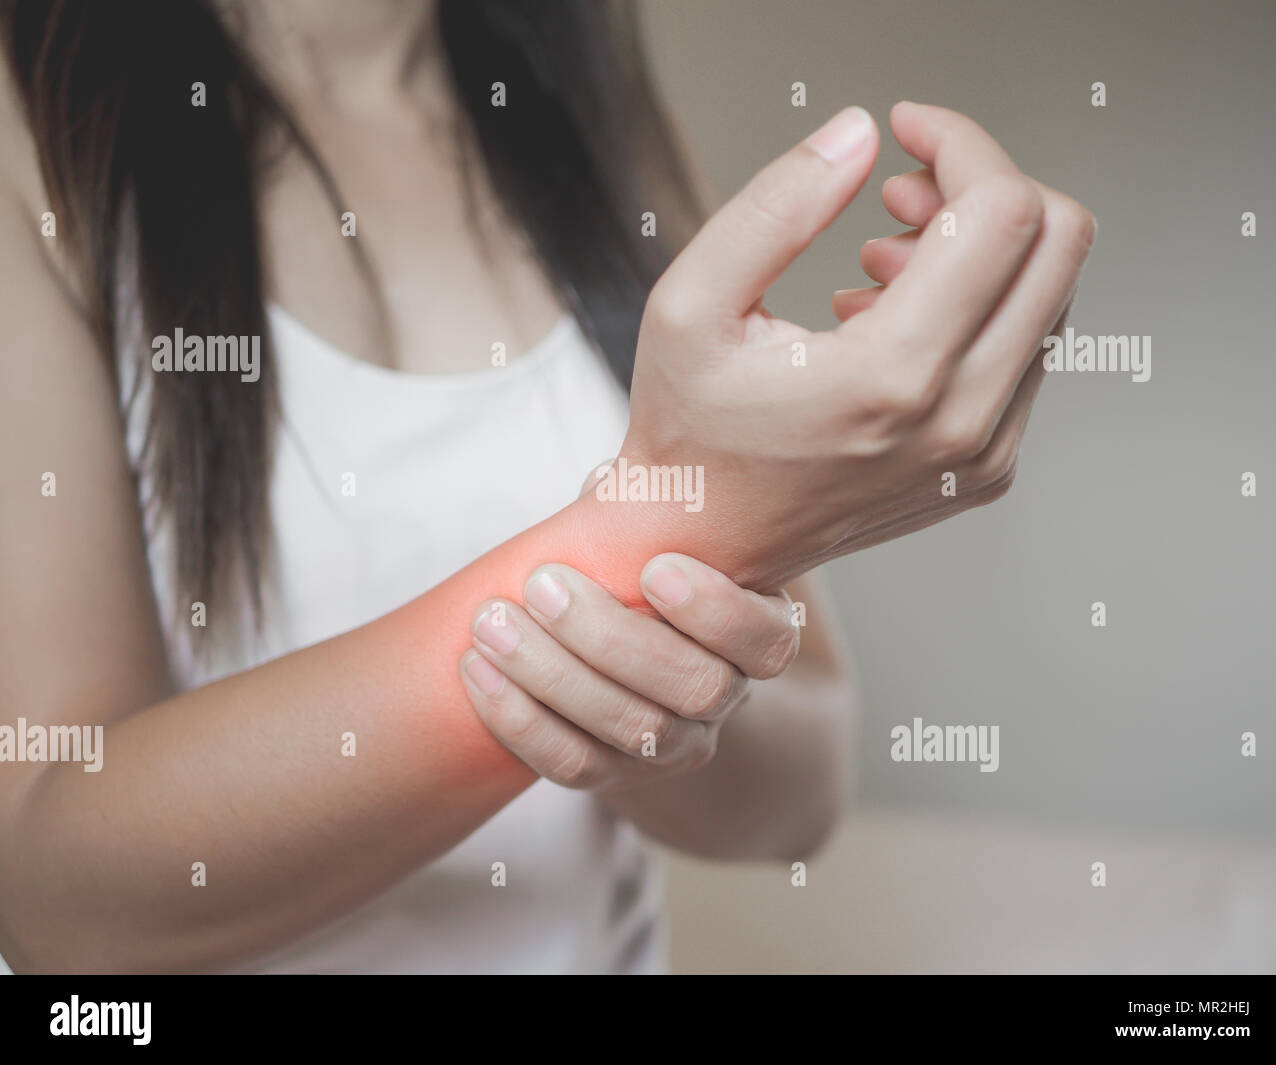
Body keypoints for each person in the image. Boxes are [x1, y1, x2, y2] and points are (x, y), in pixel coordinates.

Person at [0, 0, 1093, 973]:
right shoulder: (30, 119)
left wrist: (647, 693)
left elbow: (802, 787)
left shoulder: (593, 125)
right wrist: (654, 543)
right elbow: (46, 887)